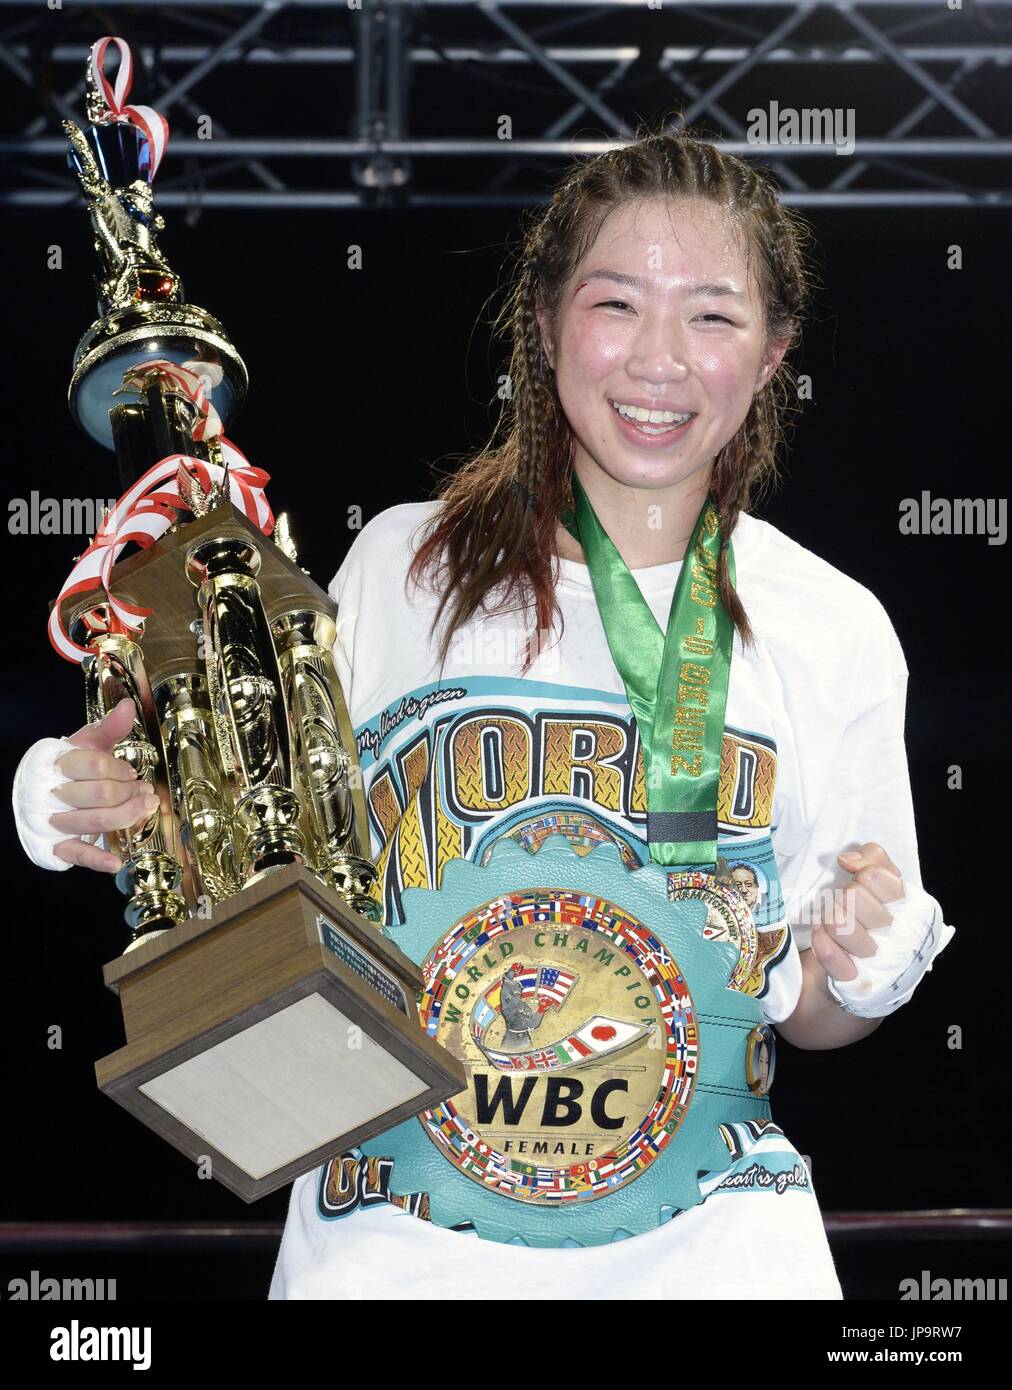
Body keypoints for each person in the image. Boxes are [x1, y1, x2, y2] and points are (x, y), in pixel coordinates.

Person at [12, 125, 955, 1300]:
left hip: (717, 1259)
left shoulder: (832, 622)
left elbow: (814, 1010)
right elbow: (246, 838)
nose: (659, 360)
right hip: (396, 1252)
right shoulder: (398, 565)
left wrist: (865, 967)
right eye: (617, 304)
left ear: (769, 356)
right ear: (548, 324)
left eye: (712, 316)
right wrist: (93, 798)